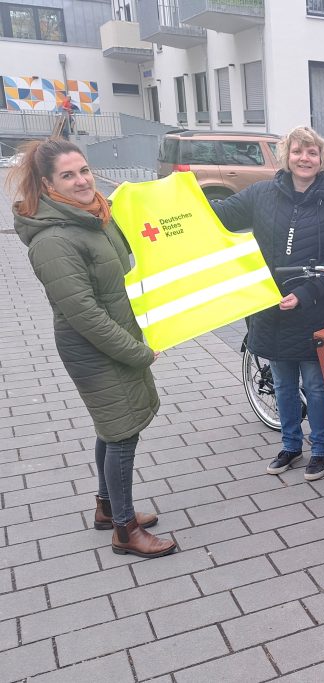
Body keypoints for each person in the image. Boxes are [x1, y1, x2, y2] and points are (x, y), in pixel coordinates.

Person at [11, 138, 176, 558]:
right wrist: (136, 351)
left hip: (116, 338)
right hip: (94, 347)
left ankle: (107, 508)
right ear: (48, 184)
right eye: (68, 175)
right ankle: (124, 530)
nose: (82, 180)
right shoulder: (54, 240)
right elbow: (84, 314)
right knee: (122, 433)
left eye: (83, 170)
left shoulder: (93, 217)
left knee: (112, 426)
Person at [212, 126, 324, 481]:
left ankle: (320, 449)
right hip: (269, 307)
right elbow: (220, 216)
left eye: (312, 153)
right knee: (282, 383)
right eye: (297, 151)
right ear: (286, 156)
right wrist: (178, 201)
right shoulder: (261, 194)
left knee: (316, 385)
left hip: (312, 309)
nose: (304, 158)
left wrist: (305, 294)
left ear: (321, 160)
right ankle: (291, 445)